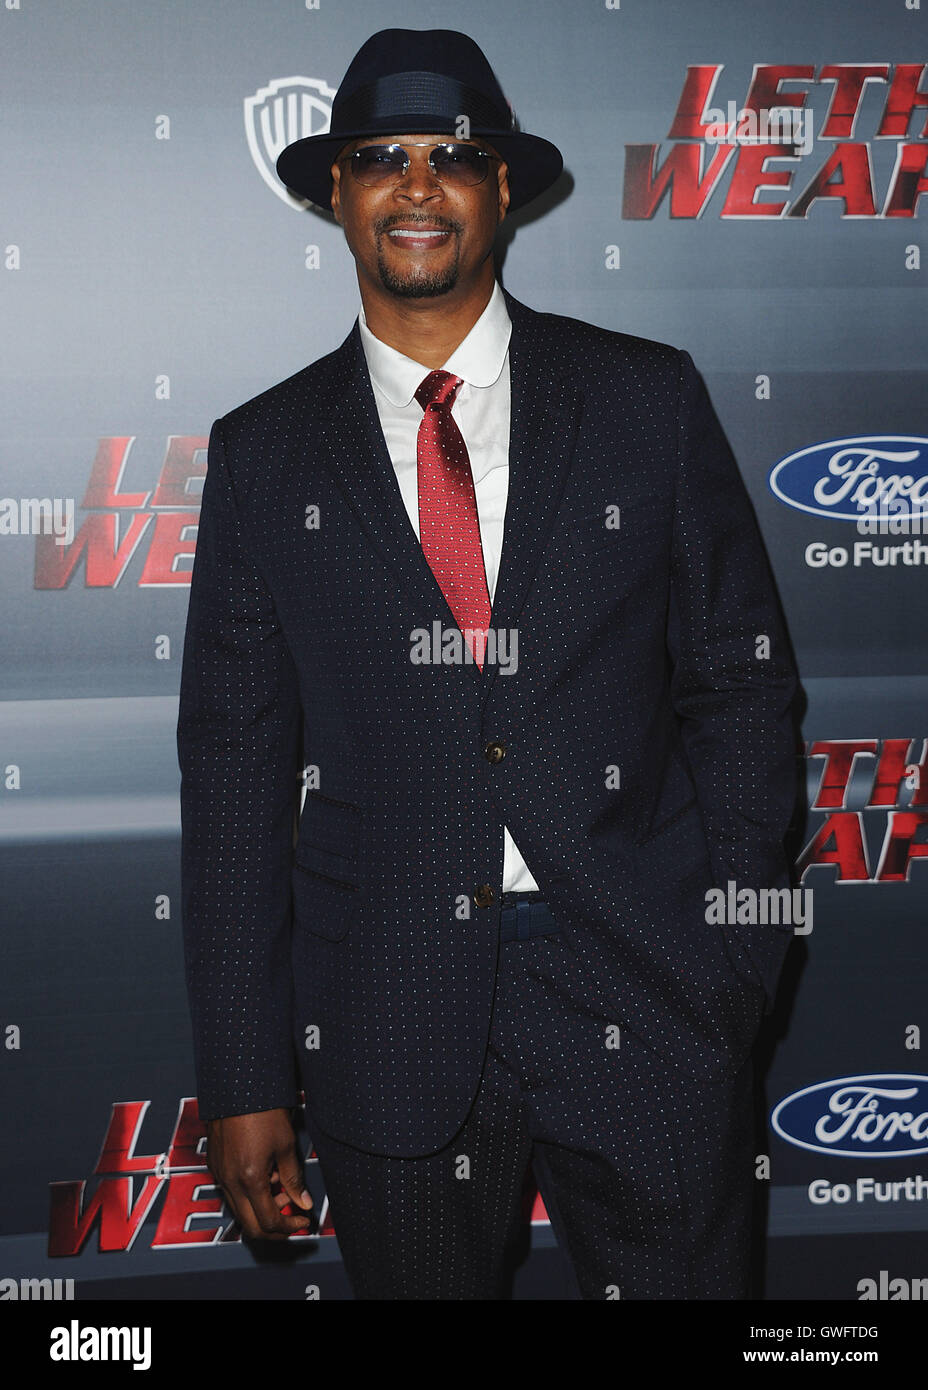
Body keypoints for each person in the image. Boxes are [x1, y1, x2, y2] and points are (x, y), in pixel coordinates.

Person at [176, 28, 798, 1300]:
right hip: (385, 1009)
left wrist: (735, 956)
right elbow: (234, 786)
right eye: (381, 158)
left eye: (452, 157)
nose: (417, 185)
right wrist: (245, 1079)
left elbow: (740, 680)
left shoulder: (645, 399)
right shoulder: (264, 455)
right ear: (334, 193)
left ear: (501, 188)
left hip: (646, 988)